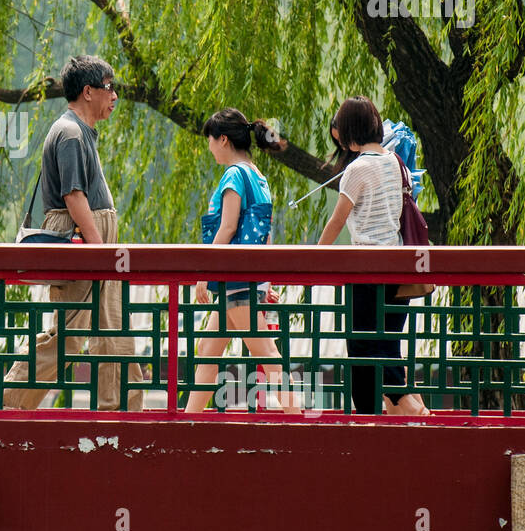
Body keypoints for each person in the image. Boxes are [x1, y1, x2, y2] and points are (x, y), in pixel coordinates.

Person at [0, 55, 145, 411]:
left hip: (92, 236)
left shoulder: (81, 132)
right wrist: (100, 251)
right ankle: (2, 398)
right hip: (80, 237)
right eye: (109, 88)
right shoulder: (69, 133)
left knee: (113, 330)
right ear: (88, 91)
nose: (115, 96)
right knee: (70, 336)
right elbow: (73, 196)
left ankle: (121, 410)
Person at [317, 96, 430, 416]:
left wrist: (313, 261)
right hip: (398, 269)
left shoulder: (358, 169)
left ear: (350, 129)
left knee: (363, 350)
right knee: (388, 347)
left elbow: (337, 221)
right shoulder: (397, 162)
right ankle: (408, 410)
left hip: (365, 270)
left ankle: (373, 417)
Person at [184, 109, 301, 414]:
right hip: (247, 278)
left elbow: (228, 227)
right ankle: (187, 422)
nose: (208, 147)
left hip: (234, 279)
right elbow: (264, 232)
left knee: (266, 352)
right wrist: (266, 280)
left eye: (210, 139)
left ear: (222, 139)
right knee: (208, 351)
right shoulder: (257, 175)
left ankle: (298, 418)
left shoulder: (235, 174)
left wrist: (204, 273)